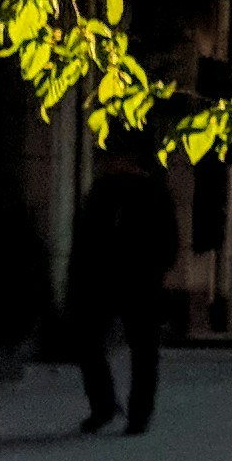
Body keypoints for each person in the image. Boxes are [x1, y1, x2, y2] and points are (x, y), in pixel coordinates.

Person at [70, 145, 179, 436]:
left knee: (142, 350)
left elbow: (168, 241)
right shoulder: (103, 191)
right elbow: (86, 238)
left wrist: (155, 270)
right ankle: (106, 406)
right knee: (93, 343)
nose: (104, 162)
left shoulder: (150, 192)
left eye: (110, 156)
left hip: (137, 280)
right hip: (105, 279)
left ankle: (135, 413)